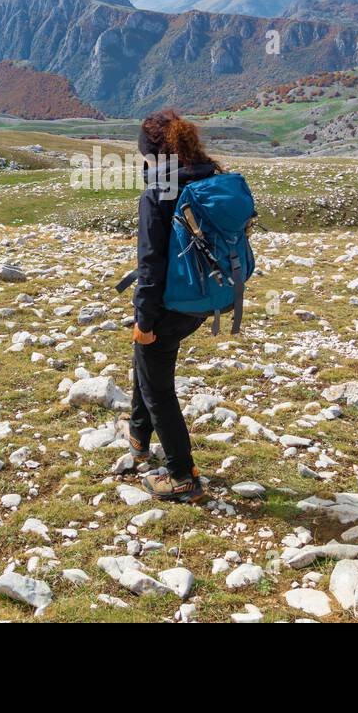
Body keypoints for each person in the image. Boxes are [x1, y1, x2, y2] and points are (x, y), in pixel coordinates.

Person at [127, 108, 222, 503]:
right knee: (147, 362)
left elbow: (150, 265)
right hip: (204, 298)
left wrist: (144, 318)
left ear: (152, 154)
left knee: (158, 387)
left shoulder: (158, 192)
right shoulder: (209, 179)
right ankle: (137, 435)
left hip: (169, 302)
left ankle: (183, 476)